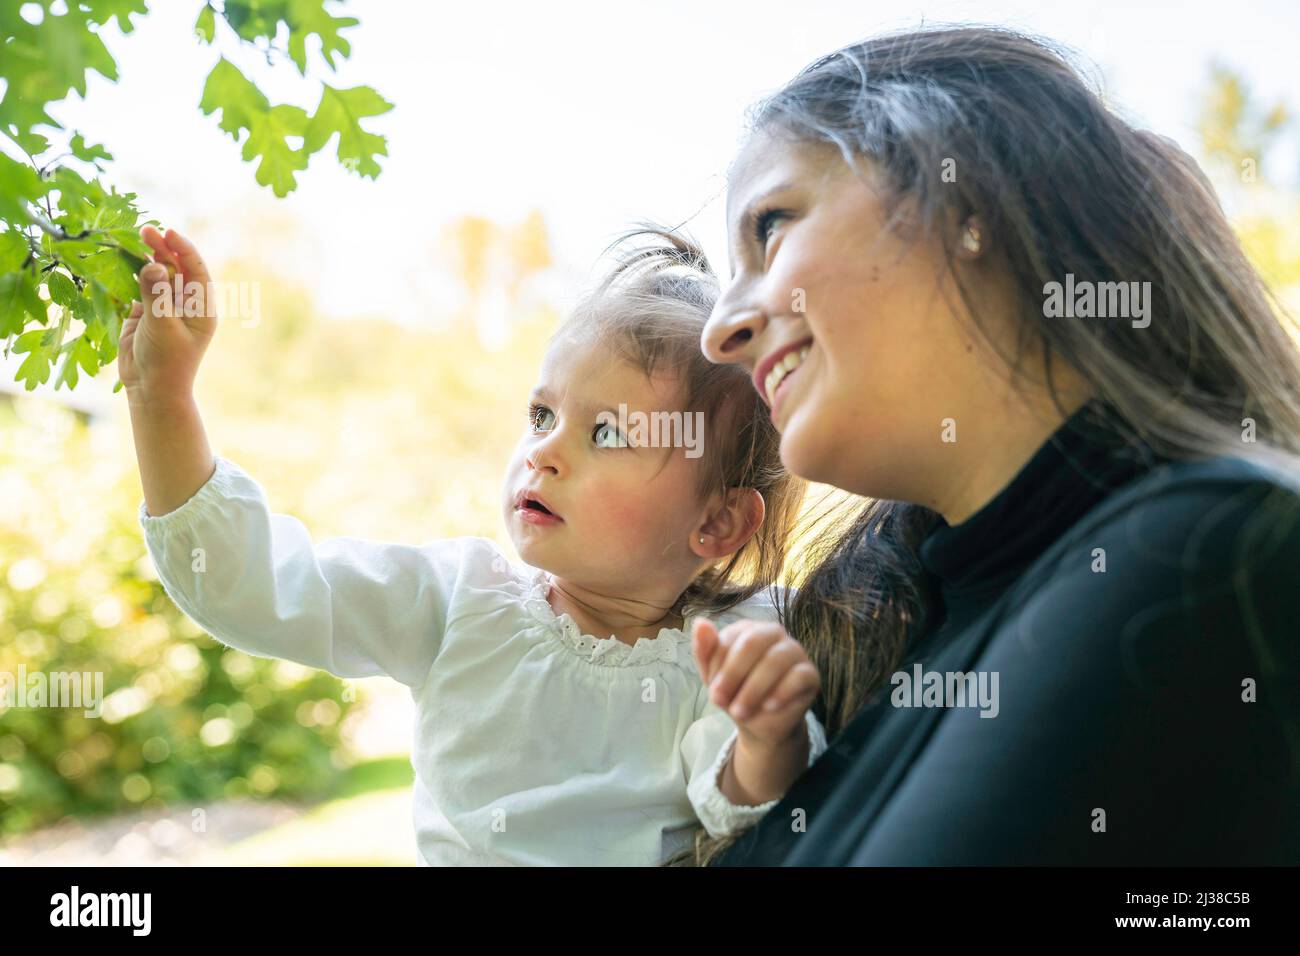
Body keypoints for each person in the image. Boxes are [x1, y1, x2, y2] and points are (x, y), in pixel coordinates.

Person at [684, 25, 1300, 866]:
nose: (719, 332)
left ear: (969, 198)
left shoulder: (1212, 549)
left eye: (772, 228)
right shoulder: (871, 660)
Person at [122, 225, 827, 865]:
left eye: (607, 433)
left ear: (717, 523)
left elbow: (740, 805)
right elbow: (255, 585)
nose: (544, 452)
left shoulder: (730, 647)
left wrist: (770, 738)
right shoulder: (461, 599)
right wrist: (162, 401)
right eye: (542, 414)